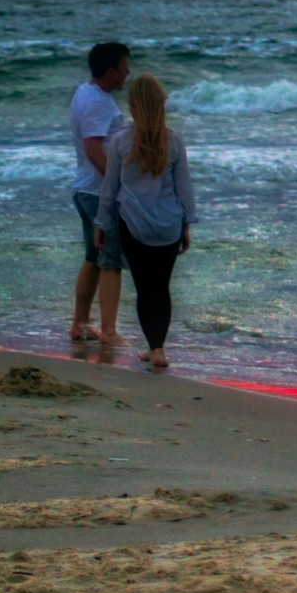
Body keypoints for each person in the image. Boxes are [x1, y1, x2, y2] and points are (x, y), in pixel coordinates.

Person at [94, 74, 197, 369]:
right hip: (169, 226)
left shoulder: (120, 142)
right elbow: (183, 188)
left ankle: (154, 347)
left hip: (134, 224)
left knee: (144, 289)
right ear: (160, 104)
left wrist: (101, 225)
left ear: (134, 106)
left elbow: (110, 188)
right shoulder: (174, 141)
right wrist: (186, 224)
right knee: (162, 287)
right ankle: (159, 348)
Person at [69, 42, 131, 348]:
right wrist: (116, 187)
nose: (127, 72)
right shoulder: (99, 103)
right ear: (110, 71)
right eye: (123, 67)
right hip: (96, 193)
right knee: (111, 260)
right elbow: (93, 148)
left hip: (86, 188)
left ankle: (79, 324)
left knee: (93, 258)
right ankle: (108, 331)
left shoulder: (86, 92)